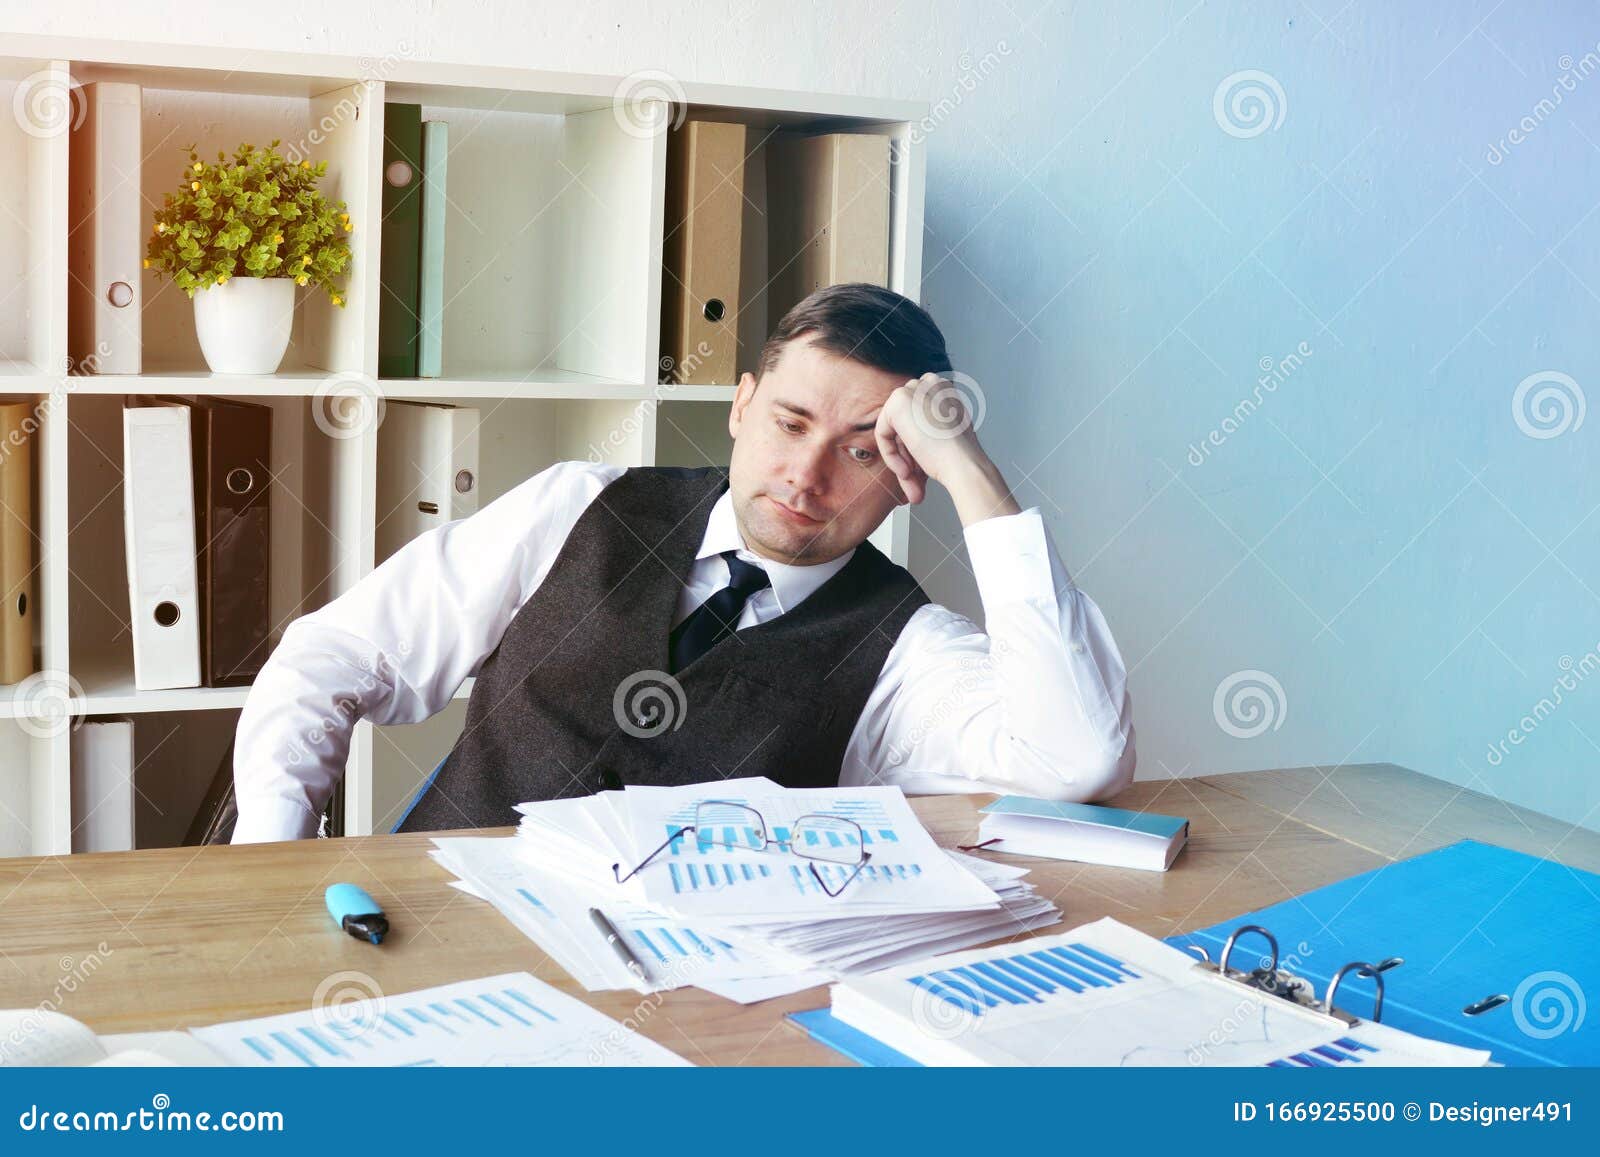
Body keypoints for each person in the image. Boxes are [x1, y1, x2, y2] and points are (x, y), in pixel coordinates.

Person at [230, 283, 1136, 842]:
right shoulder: (579, 503)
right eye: (789, 422)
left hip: (675, 1030)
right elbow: (331, 659)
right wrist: (273, 860)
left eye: (862, 449)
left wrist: (974, 473)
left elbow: (1076, 760)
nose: (806, 474)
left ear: (908, 476)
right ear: (740, 406)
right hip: (421, 953)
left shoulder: (905, 651)